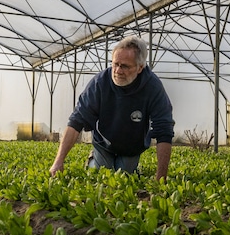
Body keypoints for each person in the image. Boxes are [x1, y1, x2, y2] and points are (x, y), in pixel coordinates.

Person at [49, 35, 174, 180]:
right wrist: (58, 161)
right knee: (102, 173)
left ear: (140, 68)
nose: (118, 71)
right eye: (115, 64)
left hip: (132, 146)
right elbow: (77, 120)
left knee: (124, 174)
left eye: (125, 66)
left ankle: (130, 167)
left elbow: (164, 130)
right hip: (104, 142)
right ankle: (93, 160)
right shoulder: (100, 83)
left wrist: (161, 177)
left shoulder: (153, 87)